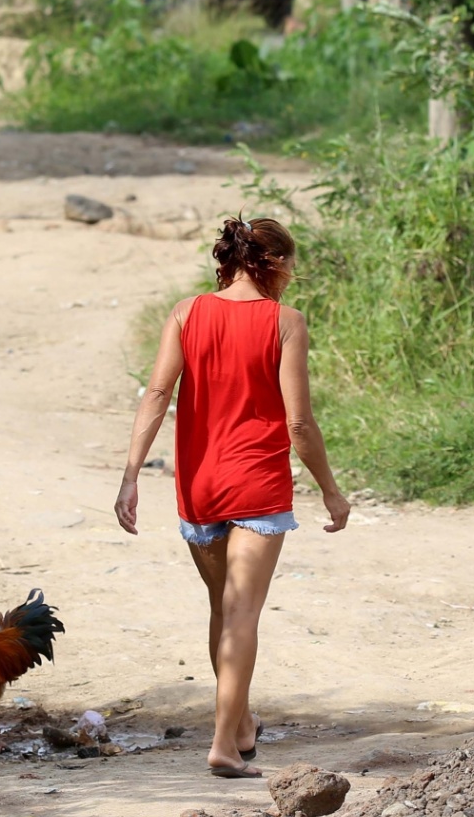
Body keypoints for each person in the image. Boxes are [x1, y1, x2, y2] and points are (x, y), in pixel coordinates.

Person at [115, 217, 350, 779]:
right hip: (256, 482)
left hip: (198, 483)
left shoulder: (186, 312)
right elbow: (298, 423)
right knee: (243, 612)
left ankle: (241, 725)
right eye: (292, 267)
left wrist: (130, 476)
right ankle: (223, 744)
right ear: (272, 264)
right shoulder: (285, 323)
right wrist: (331, 491)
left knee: (223, 609)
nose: (293, 279)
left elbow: (155, 394)